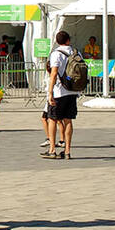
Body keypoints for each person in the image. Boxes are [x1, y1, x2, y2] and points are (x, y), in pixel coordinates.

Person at [42, 30, 82, 160]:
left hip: (59, 91)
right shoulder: (76, 52)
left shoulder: (56, 54)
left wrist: (50, 92)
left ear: (57, 41)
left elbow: (54, 73)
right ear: (68, 40)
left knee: (52, 118)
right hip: (72, 90)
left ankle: (52, 149)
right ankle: (68, 150)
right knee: (68, 120)